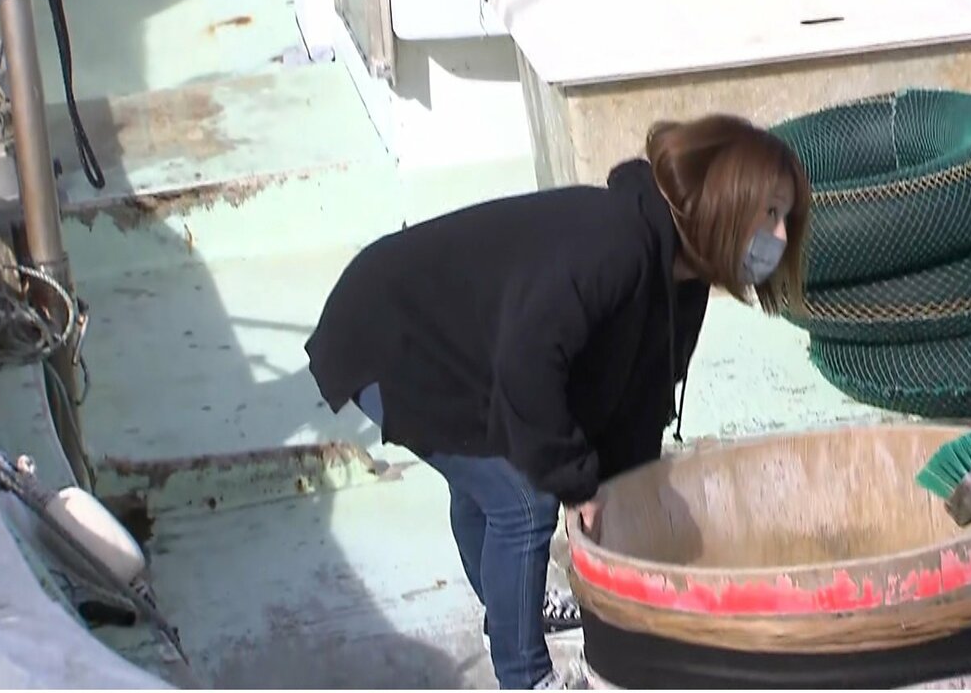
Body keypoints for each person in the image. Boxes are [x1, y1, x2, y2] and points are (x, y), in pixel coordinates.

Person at [303, 114, 812, 689]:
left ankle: (509, 611)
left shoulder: (683, 277)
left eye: (785, 217)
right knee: (522, 502)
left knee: (487, 491)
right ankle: (526, 676)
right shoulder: (615, 244)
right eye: (768, 213)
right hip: (391, 333)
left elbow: (641, 396)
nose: (780, 236)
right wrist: (575, 482)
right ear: (725, 201)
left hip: (467, 345)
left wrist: (621, 492)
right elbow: (529, 370)